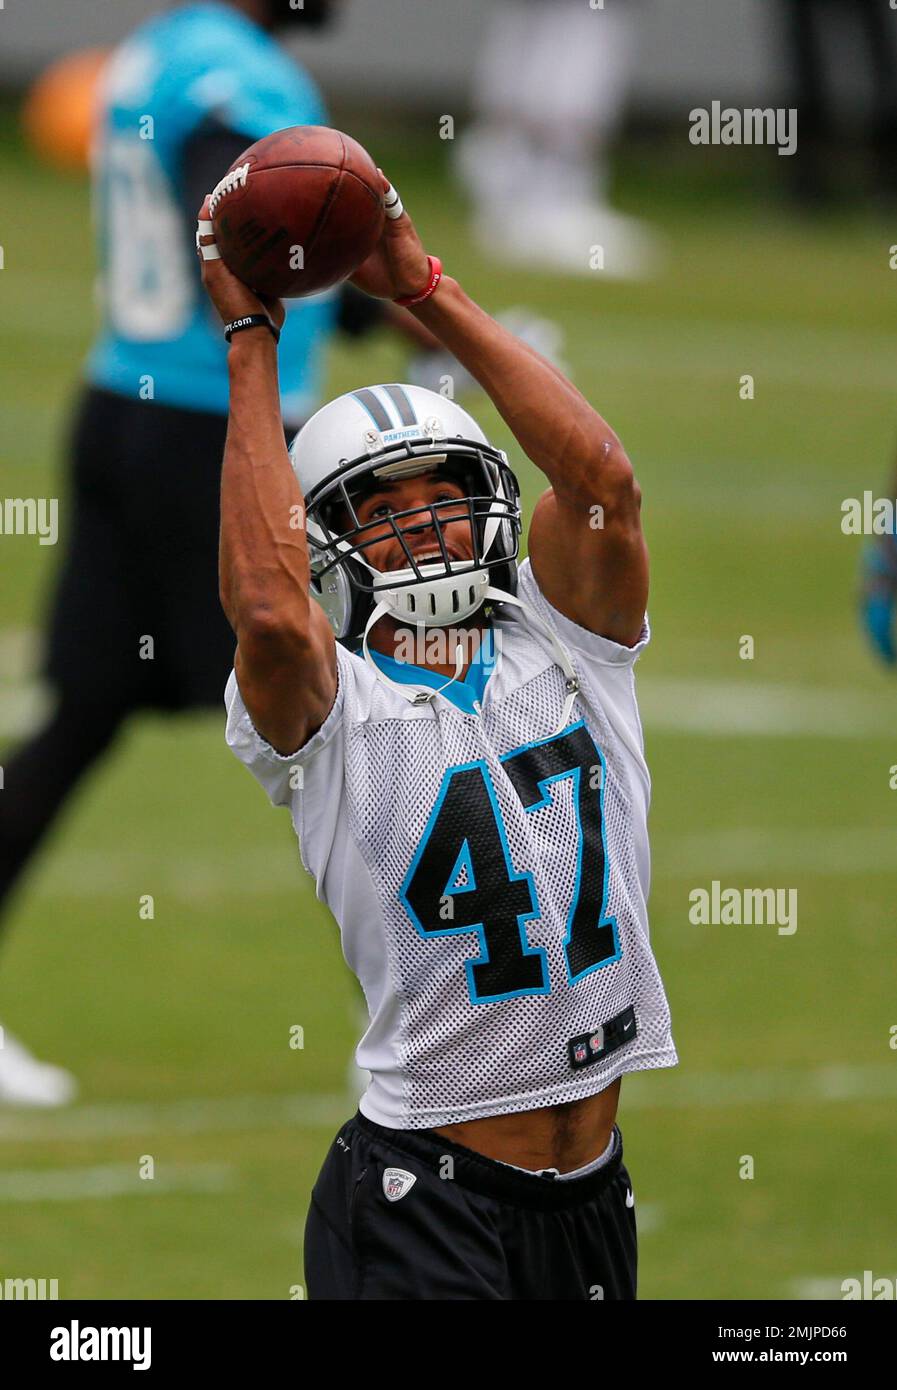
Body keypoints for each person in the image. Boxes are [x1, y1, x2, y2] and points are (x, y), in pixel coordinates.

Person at [199, 164, 677, 1300]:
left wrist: (423, 288)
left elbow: (603, 478)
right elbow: (269, 609)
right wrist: (252, 335)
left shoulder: (568, 643)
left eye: (445, 494)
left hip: (591, 1196)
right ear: (329, 542)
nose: (425, 526)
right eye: (386, 508)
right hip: (424, 1196)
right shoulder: (330, 707)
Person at [0, 0, 393, 1105]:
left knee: (79, 721)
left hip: (122, 402)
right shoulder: (233, 70)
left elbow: (265, 242)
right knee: (364, 719)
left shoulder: (157, 49)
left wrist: (397, 314)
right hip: (211, 434)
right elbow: (243, 232)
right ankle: (439, 1038)